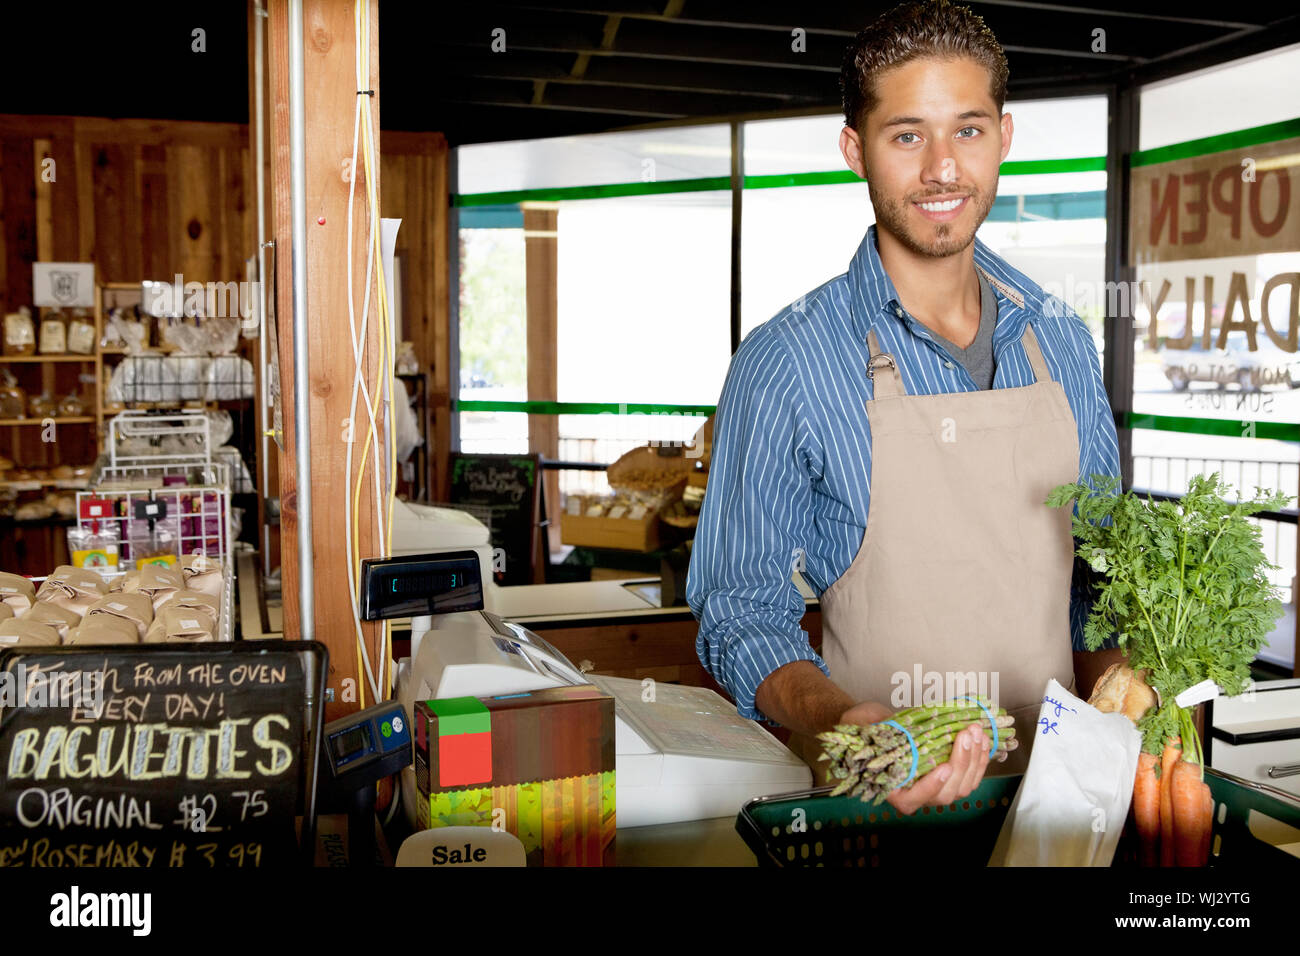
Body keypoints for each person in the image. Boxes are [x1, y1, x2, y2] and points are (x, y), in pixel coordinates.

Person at [686, 0, 1123, 816]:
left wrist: (1127, 683)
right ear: (856, 149)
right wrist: (837, 722)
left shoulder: (1061, 341)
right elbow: (739, 608)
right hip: (880, 810)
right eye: (907, 134)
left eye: (968, 129)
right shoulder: (786, 361)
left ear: (1004, 137)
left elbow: (1097, 582)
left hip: (1063, 810)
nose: (943, 169)